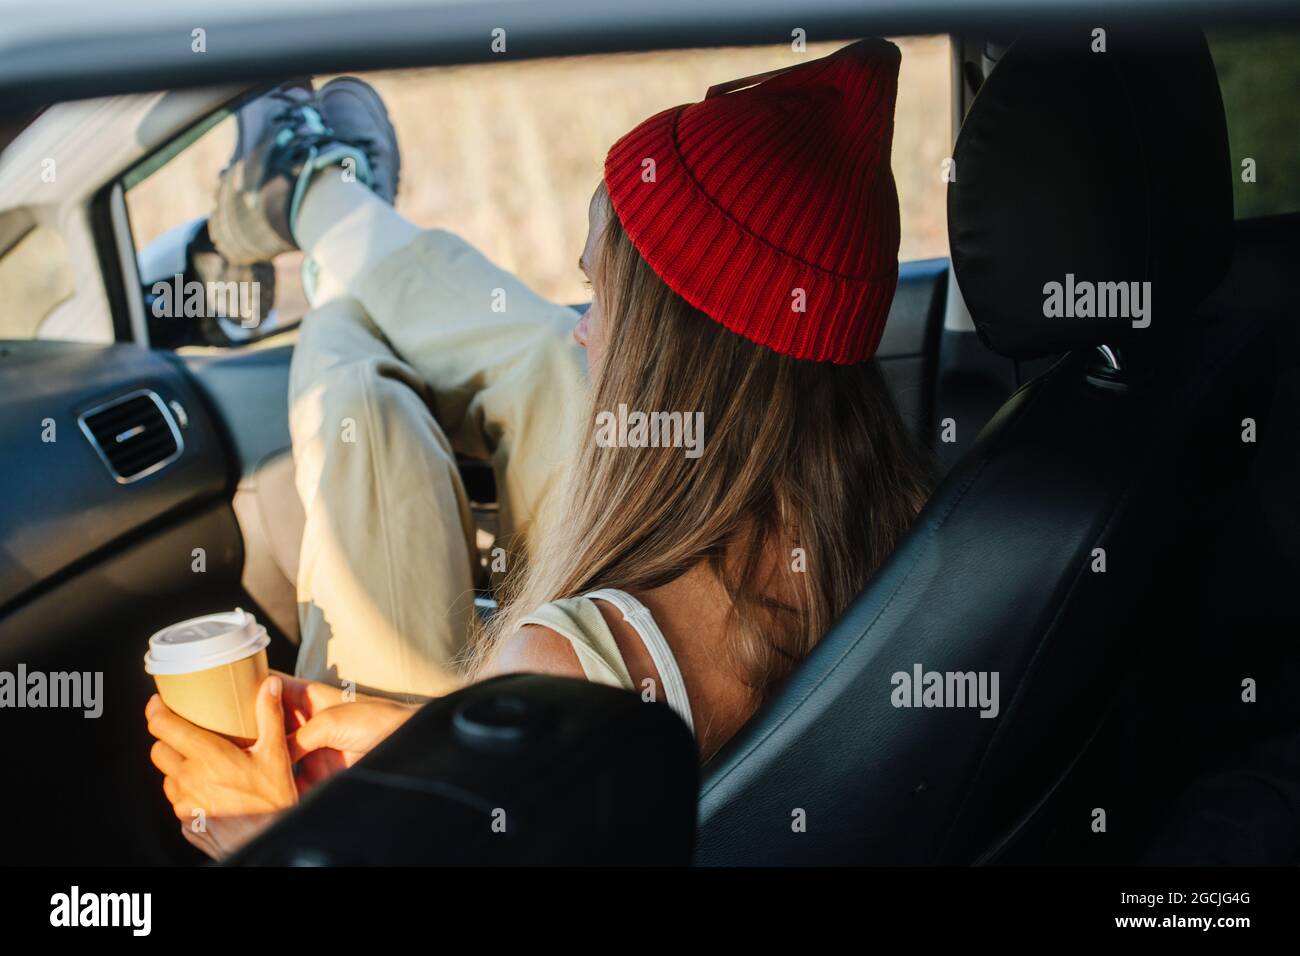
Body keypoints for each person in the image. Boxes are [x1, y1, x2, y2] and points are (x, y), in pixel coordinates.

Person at [146, 39, 933, 859]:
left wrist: (273, 839)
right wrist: (440, 738)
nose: (583, 330)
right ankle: (326, 221)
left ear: (667, 351)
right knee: (395, 370)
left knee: (352, 375)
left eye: (601, 297)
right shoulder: (917, 534)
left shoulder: (565, 657)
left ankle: (323, 217)